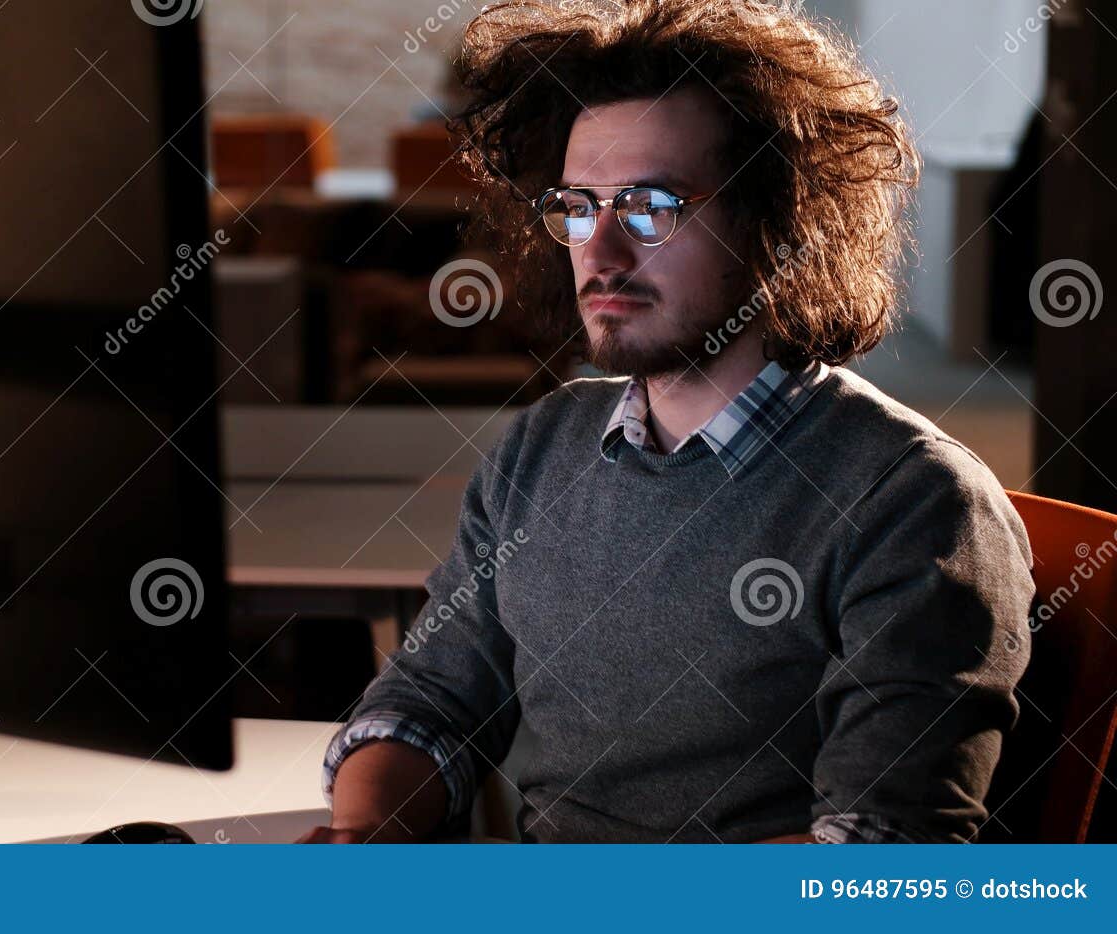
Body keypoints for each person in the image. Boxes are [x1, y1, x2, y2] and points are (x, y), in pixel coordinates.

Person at [299, 0, 1034, 844]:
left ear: (778, 222)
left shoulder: (917, 502)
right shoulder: (544, 445)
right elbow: (430, 701)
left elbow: (878, 854)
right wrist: (362, 837)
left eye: (650, 206)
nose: (600, 253)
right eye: (579, 207)